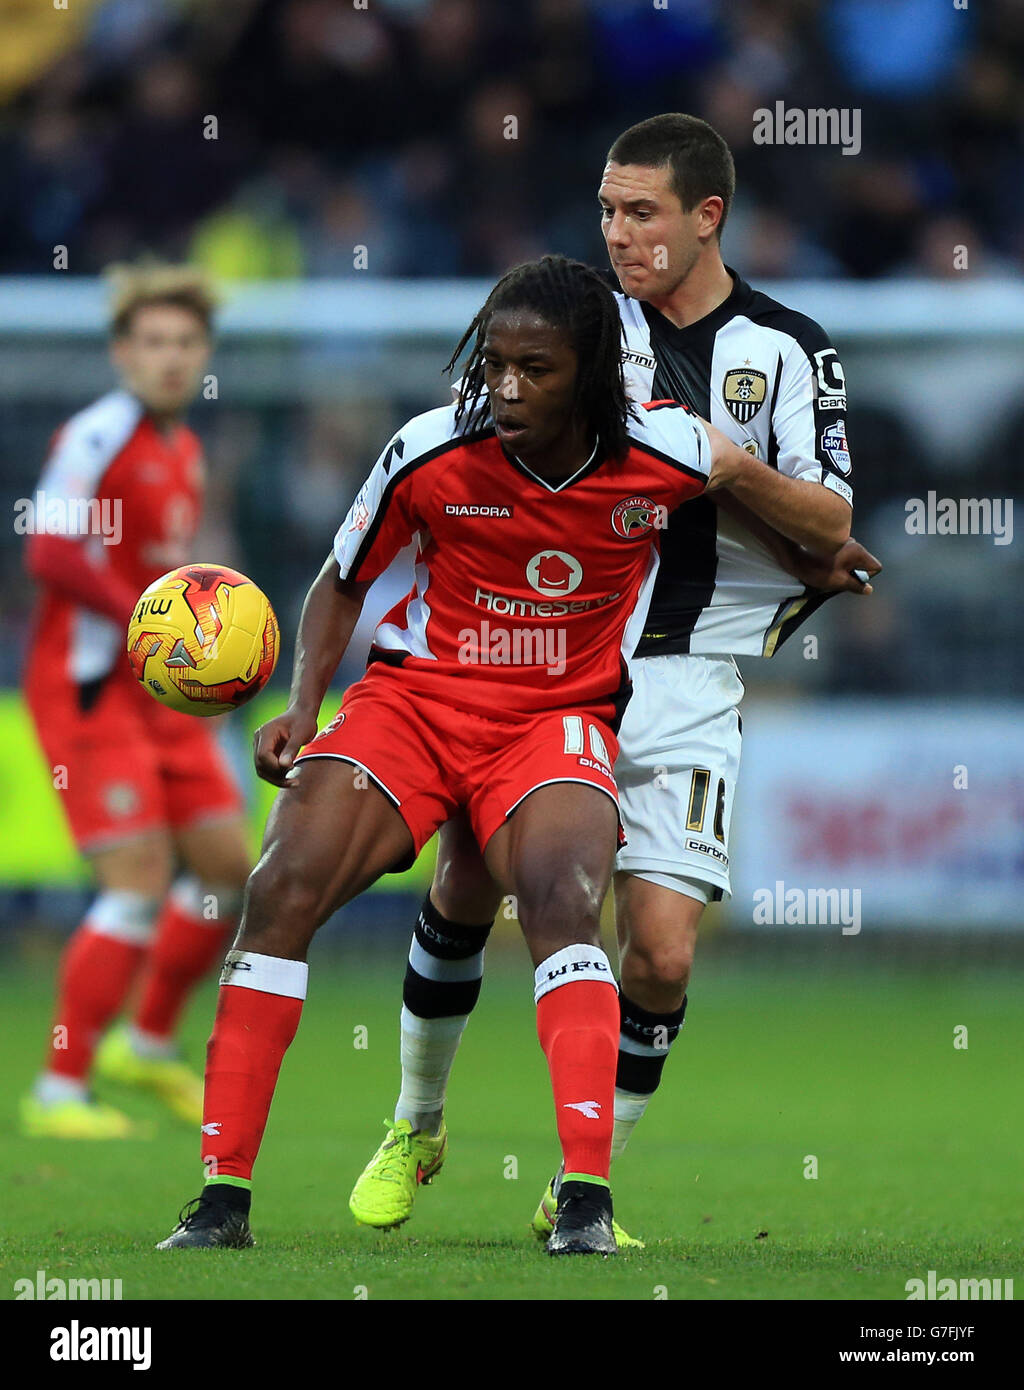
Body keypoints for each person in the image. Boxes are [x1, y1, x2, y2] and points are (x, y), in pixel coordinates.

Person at [156, 254, 787, 1256]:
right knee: (280, 890)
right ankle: (220, 1200)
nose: (503, 388)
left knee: (564, 897)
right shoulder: (428, 449)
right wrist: (304, 703)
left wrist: (826, 554)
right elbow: (340, 577)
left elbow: (763, 498)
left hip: (554, 717)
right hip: (413, 701)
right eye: (492, 364)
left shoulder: (666, 453)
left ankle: (583, 1199)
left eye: (533, 369)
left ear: (586, 375)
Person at [348, 113, 881, 1246]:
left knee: (664, 948)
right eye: (605, 209)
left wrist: (728, 465)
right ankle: (415, 1122)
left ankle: (580, 1189)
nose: (617, 234)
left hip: (691, 676)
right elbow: (487, 443)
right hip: (548, 657)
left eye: (640, 213)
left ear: (706, 217)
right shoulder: (583, 329)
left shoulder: (789, 347)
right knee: (464, 890)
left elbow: (831, 513)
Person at [20, 264, 251, 1139]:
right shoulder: (96, 434)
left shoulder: (183, 450)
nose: (169, 357)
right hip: (89, 693)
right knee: (137, 885)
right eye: (152, 342)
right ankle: (59, 1090)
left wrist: (204, 671)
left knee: (229, 874)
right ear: (122, 353)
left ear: (204, 354)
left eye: (185, 342)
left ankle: (145, 1044)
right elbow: (48, 552)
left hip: (164, 697)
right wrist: (146, 619)